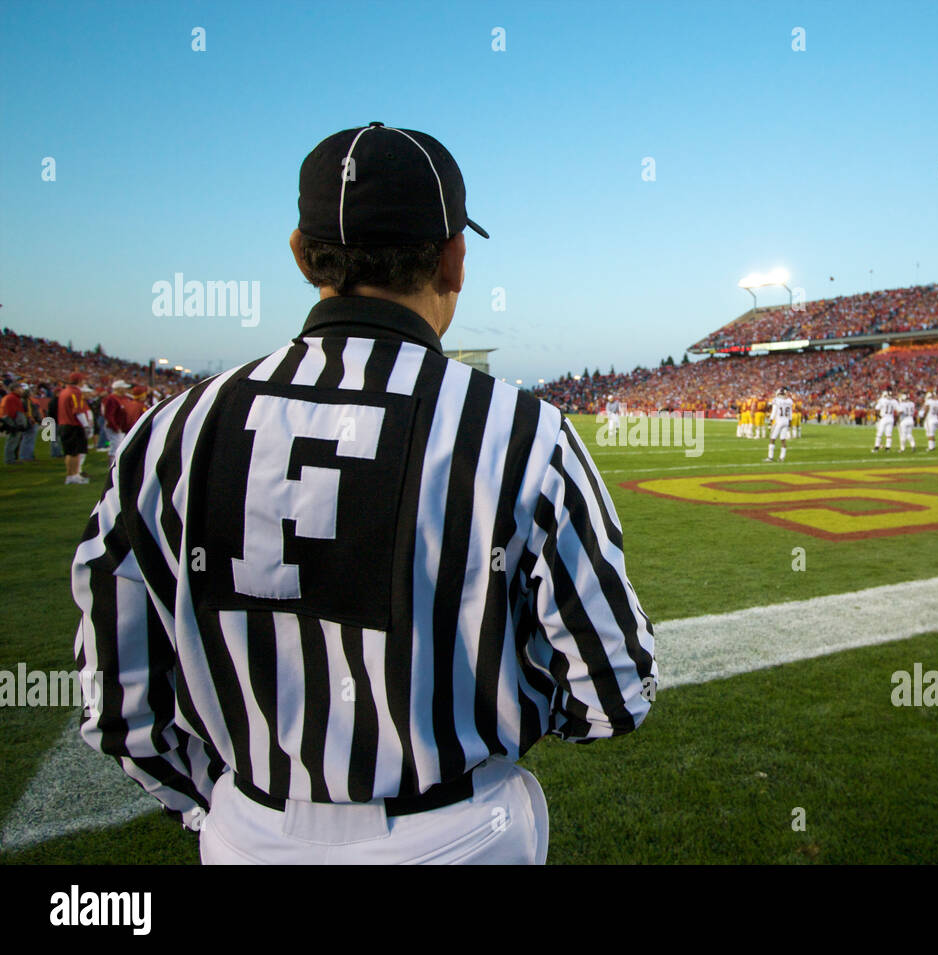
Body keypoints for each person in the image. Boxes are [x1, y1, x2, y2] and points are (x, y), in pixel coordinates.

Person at [73, 122, 657, 865]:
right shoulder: (520, 431)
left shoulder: (164, 435)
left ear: (299, 252)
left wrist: (230, 807)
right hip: (459, 831)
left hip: (248, 831)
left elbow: (118, 703)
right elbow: (615, 690)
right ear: (455, 258)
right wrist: (497, 704)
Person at [56, 372, 92, 483]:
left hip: (64, 424)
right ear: (80, 381)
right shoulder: (75, 392)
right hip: (73, 425)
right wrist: (86, 425)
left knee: (69, 453)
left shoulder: (64, 391)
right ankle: (75, 475)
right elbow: (78, 411)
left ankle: (70, 475)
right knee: (75, 452)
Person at [101, 380, 131, 464]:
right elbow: (109, 415)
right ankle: (112, 466)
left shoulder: (123, 398)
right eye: (124, 388)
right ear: (119, 389)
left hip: (122, 426)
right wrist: (115, 426)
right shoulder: (112, 398)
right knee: (115, 447)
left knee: (121, 447)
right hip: (115, 427)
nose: (126, 389)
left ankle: (117, 464)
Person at [765, 386, 794, 462]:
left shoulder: (776, 400)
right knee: (783, 440)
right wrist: (790, 422)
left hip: (779, 422)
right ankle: (782, 457)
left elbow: (774, 412)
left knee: (772, 439)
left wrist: (770, 421)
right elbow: (790, 413)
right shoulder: (790, 401)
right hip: (786, 421)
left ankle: (770, 457)